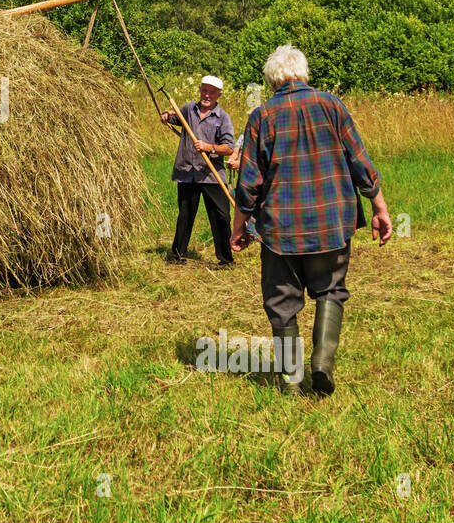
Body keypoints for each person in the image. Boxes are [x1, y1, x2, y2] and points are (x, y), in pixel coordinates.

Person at [229, 45, 392, 396]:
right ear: (303, 74)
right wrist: (379, 207)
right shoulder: (332, 105)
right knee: (330, 290)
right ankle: (322, 363)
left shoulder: (262, 116)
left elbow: (249, 183)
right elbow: (360, 163)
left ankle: (291, 382)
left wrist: (239, 225)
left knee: (282, 300)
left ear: (272, 81)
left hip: (279, 230)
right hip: (331, 224)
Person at [160, 76, 235, 266]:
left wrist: (209, 147)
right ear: (200, 89)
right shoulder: (188, 109)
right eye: (204, 90)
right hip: (187, 172)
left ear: (219, 95)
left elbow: (228, 148)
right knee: (185, 216)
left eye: (211, 92)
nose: (207, 95)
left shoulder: (223, 118)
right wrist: (167, 115)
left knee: (221, 217)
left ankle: (226, 259)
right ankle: (177, 255)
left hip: (212, 175)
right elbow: (175, 117)